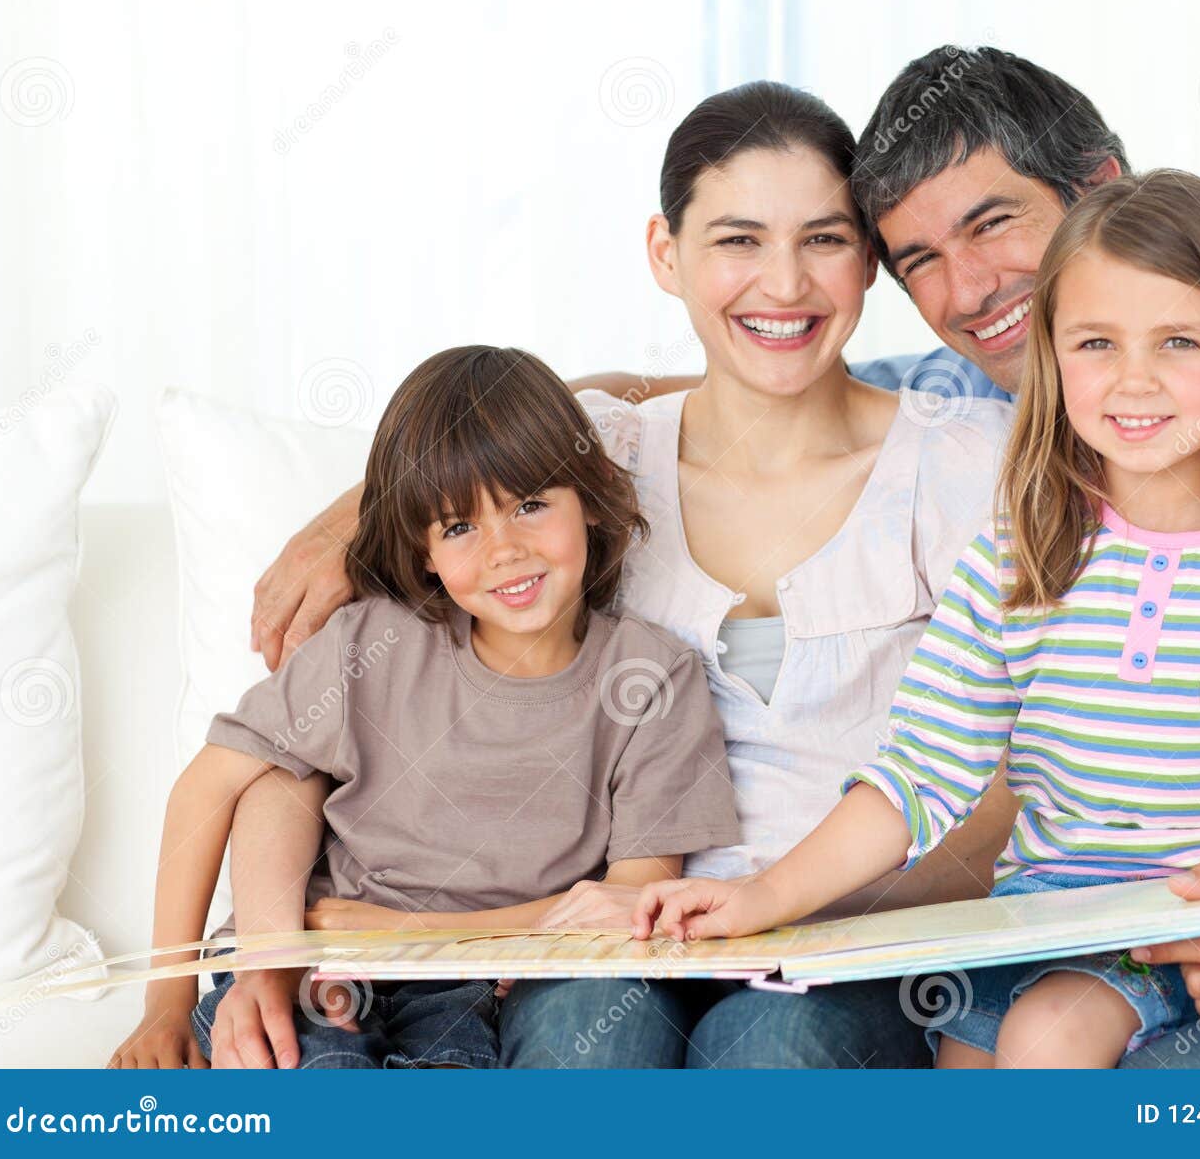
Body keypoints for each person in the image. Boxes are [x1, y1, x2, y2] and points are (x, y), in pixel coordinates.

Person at [236, 82, 1011, 1068]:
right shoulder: (583, 463)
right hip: (612, 936)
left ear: (867, 259)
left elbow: (1016, 785)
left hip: (852, 938)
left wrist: (775, 895)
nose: (783, 285)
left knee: (778, 1047)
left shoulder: (969, 462)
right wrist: (364, 500)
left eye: (822, 239)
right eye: (736, 240)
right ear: (665, 254)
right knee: (579, 1047)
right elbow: (470, 479)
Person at [635, 170, 1200, 1069]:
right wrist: (766, 895)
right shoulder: (1021, 555)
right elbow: (919, 773)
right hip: (1035, 922)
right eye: (1096, 342)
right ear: (1052, 358)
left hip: (1187, 931)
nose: (1134, 380)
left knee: (1045, 1042)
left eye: (1177, 341)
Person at [108, 345, 739, 1069]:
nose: (505, 550)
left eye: (530, 505)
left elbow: (634, 905)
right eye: (460, 526)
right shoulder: (374, 642)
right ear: (425, 549)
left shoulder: (654, 679)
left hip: (472, 989)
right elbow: (208, 787)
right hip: (319, 959)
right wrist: (163, 1005)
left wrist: (412, 930)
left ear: (589, 502)